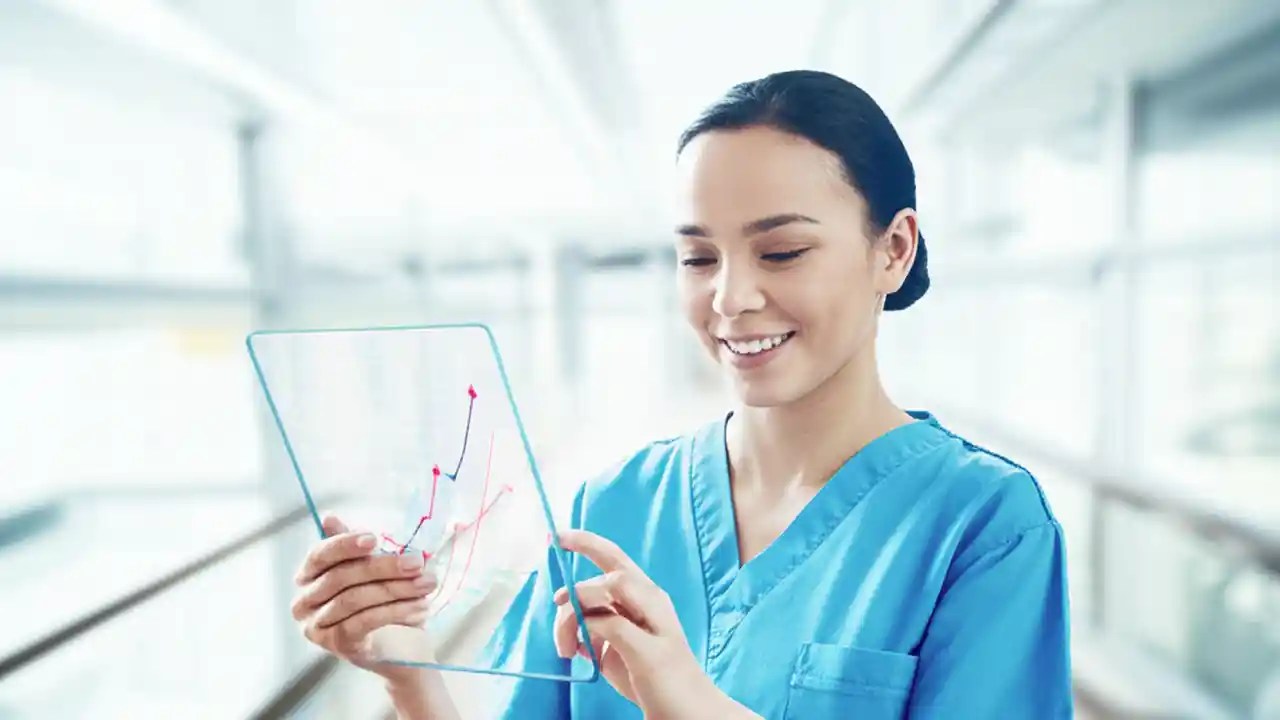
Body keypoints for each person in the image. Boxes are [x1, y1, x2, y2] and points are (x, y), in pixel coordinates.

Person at [289, 69, 1074, 719]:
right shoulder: (611, 508)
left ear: (893, 250)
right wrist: (409, 673)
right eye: (699, 259)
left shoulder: (983, 527)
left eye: (782, 251)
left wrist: (689, 703)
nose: (731, 298)